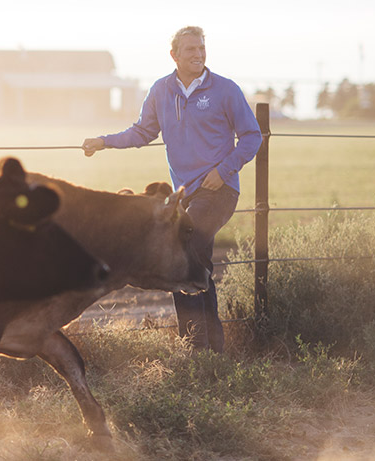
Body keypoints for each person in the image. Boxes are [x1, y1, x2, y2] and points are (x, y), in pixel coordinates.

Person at [82, 26, 262, 352]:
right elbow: (142, 132)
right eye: (191, 49)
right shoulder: (161, 90)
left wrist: (223, 171)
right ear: (174, 55)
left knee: (182, 250)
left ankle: (195, 348)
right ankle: (210, 352)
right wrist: (104, 142)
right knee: (197, 265)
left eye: (201, 48)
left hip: (220, 190)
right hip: (186, 196)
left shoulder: (225, 89)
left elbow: (252, 136)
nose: (198, 54)